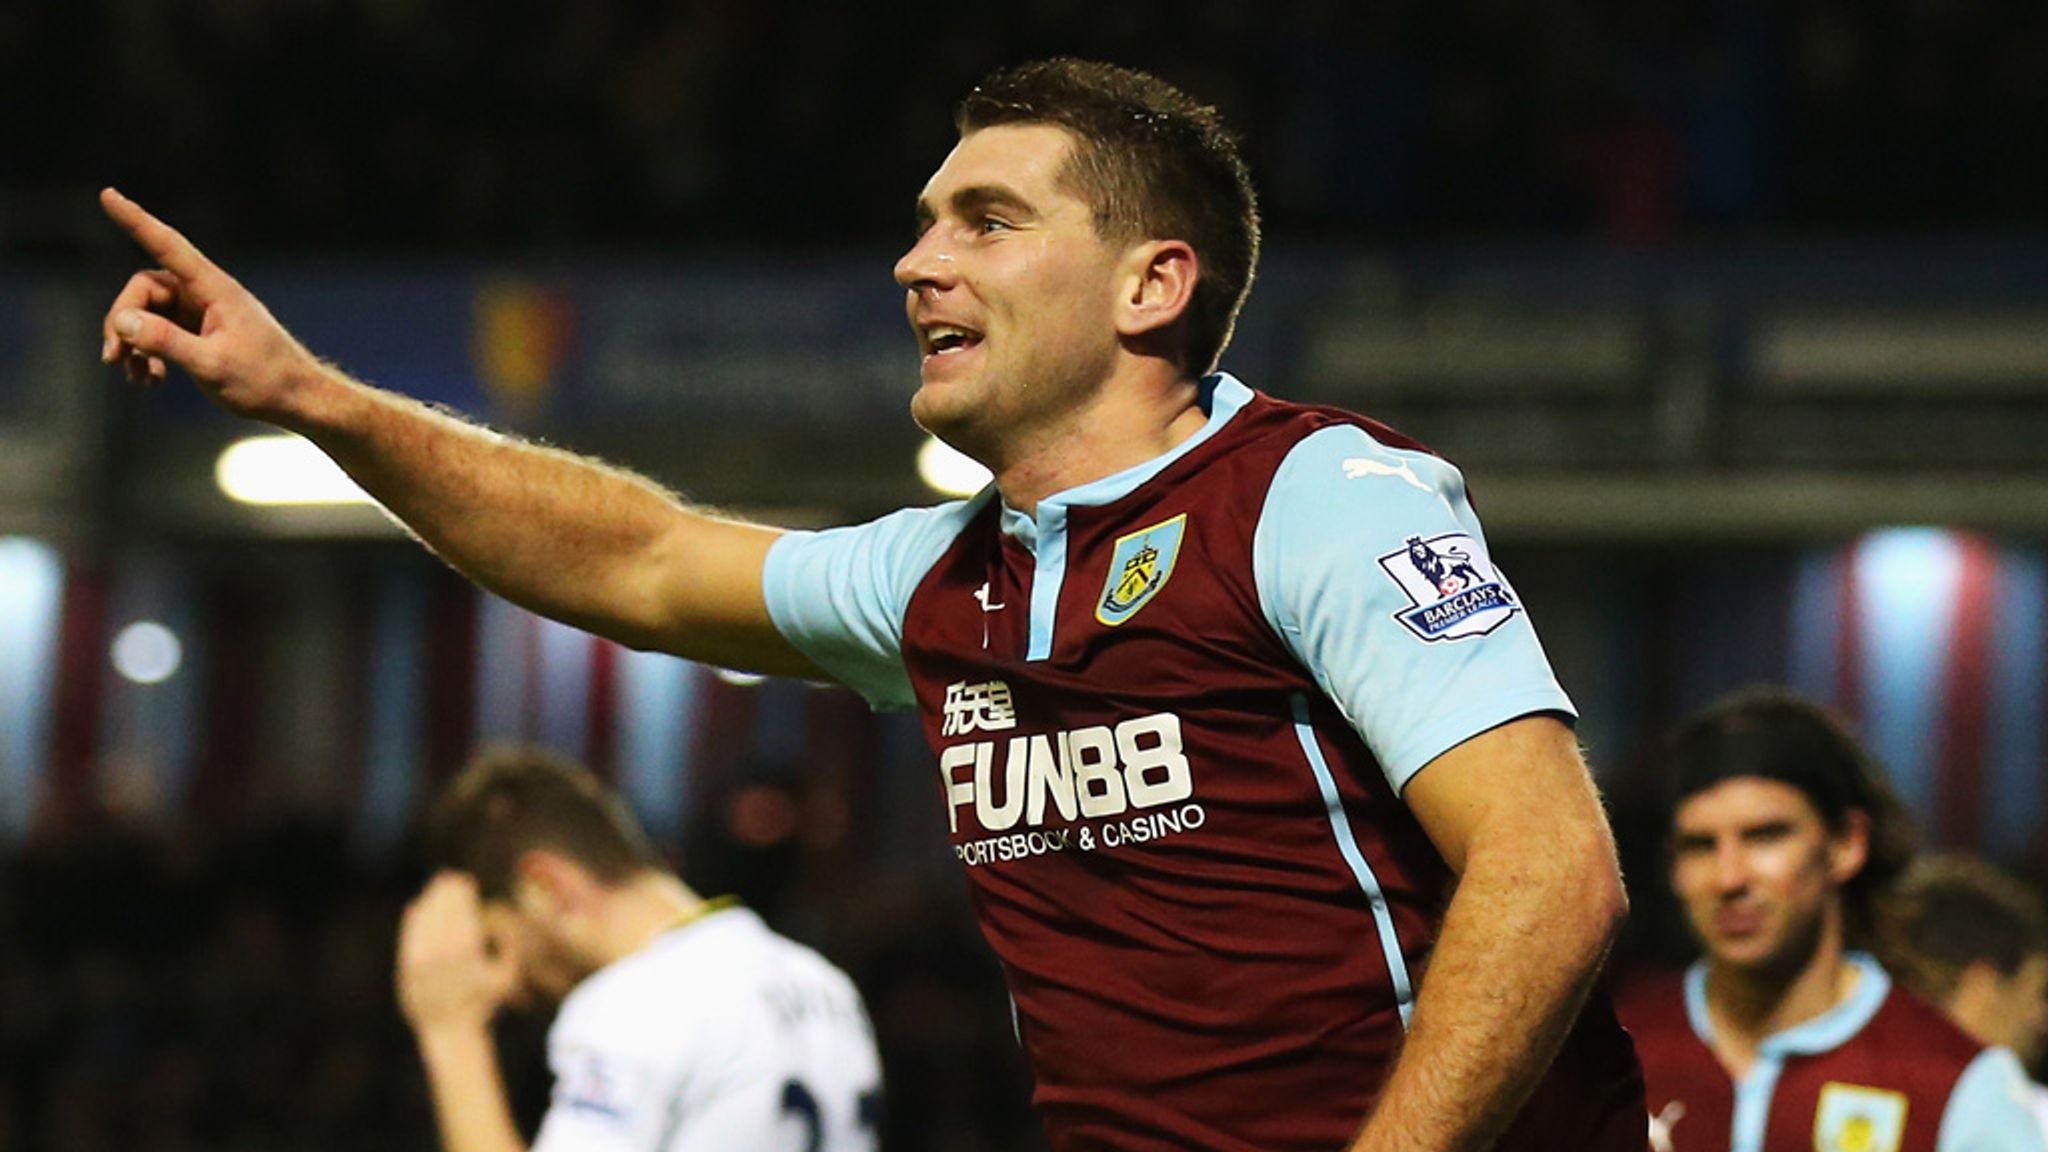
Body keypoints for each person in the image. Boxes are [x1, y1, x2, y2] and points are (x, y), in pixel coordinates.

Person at [101, 58, 1642, 1152]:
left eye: (986, 220)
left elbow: (1550, 867)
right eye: (922, 223)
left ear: (1151, 286)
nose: (917, 262)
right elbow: (634, 555)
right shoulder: (936, 578)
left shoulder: (1311, 496)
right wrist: (316, 400)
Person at [1616, 687, 2044, 1152]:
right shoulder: (1612, 1054)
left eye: (1766, 835)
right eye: (1699, 845)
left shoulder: (1956, 1084)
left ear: (1847, 843)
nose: (1729, 877)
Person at [396, 746, 882, 1152]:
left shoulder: (634, 1003)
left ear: (544, 889)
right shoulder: (823, 983)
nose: (509, 989)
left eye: (495, 945)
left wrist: (452, 1033)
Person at [1895, 854, 2048, 1134]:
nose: (2042, 1020)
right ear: (1985, 984)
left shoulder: (1829, 1092)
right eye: (2036, 994)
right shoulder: (2032, 1121)